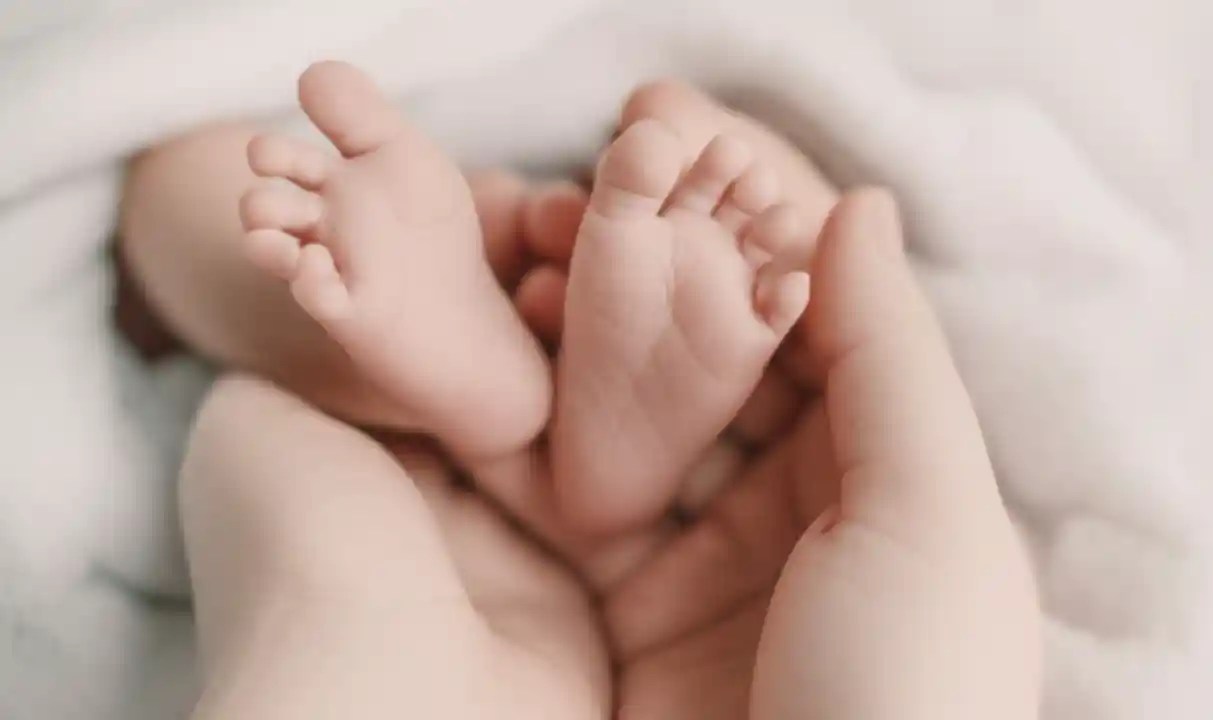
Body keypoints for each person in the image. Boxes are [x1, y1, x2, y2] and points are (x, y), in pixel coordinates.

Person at [122, 62, 1039, 718]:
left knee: (178, 200)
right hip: (719, 503)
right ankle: (532, 374)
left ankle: (447, 375)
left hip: (429, 500)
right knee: (707, 159)